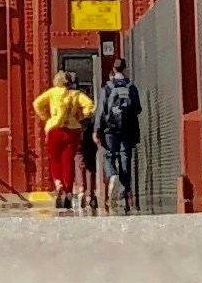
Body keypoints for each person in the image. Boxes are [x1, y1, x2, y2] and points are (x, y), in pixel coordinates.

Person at [31, 64, 91, 208]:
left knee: (55, 159)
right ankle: (69, 191)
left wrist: (47, 117)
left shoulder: (52, 93)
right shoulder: (76, 95)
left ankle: (58, 184)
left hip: (54, 130)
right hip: (72, 131)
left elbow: (37, 103)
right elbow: (89, 105)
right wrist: (80, 116)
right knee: (68, 161)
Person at [95, 57, 141, 214]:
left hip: (110, 129)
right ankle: (123, 191)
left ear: (113, 70)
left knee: (109, 156)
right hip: (127, 128)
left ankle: (112, 175)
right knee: (125, 157)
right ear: (125, 68)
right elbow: (137, 108)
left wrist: (97, 129)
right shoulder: (131, 86)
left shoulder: (108, 87)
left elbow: (101, 110)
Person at [74, 87, 100, 215]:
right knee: (91, 166)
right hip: (89, 137)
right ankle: (90, 194)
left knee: (79, 161)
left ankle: (81, 190)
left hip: (77, 135)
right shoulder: (90, 113)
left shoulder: (74, 112)